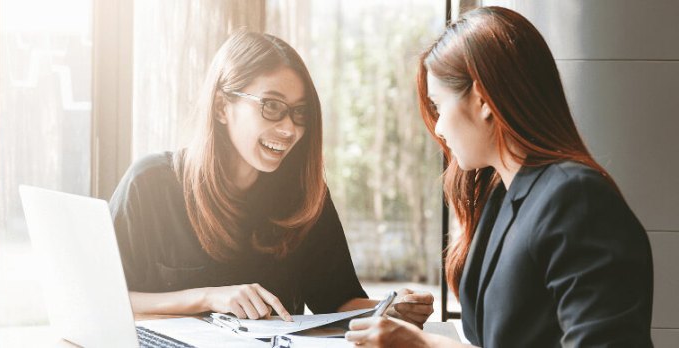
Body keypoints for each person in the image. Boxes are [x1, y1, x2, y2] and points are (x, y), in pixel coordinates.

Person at [344, 6, 654, 347]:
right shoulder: (502, 198)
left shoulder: (576, 198)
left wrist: (425, 345)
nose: (439, 128)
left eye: (439, 106)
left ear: (481, 99)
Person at [109, 31, 434, 327]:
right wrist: (209, 297)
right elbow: (105, 297)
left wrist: (389, 308)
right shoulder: (150, 184)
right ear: (222, 107)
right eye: (272, 106)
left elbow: (339, 301)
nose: (289, 129)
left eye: (300, 112)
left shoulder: (304, 196)